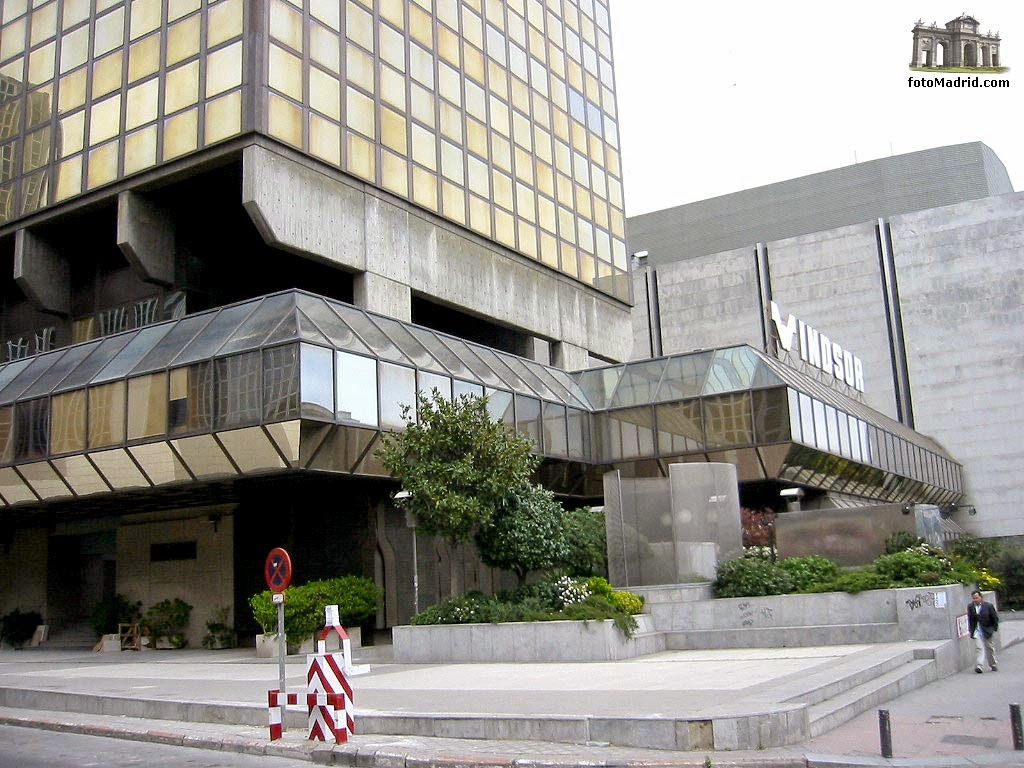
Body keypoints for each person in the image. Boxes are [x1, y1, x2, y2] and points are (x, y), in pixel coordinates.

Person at [966, 589, 999, 673]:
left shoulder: (988, 606)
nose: (975, 600)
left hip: (987, 630)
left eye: (976, 598)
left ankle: (993, 664)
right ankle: (979, 666)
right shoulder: (971, 607)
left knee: (989, 648)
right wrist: (971, 630)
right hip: (977, 630)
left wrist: (993, 629)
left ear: (981, 597)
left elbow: (994, 618)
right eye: (973, 598)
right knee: (979, 648)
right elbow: (970, 619)